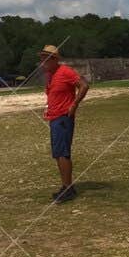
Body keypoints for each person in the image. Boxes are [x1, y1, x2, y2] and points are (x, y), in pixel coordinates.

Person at [39, 45, 88, 203]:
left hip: (63, 118)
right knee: (58, 153)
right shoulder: (50, 75)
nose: (42, 61)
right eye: (41, 58)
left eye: (45, 58)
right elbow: (53, 94)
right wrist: (48, 108)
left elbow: (84, 85)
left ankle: (68, 188)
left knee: (62, 153)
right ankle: (66, 186)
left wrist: (74, 105)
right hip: (54, 117)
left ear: (54, 59)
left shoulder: (65, 71)